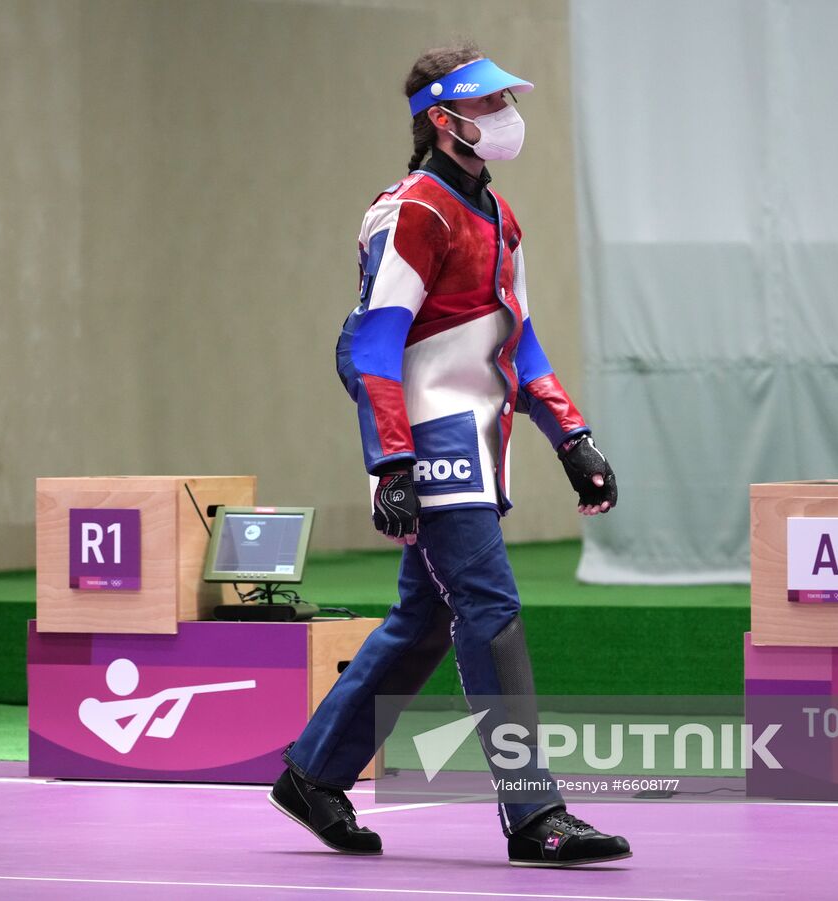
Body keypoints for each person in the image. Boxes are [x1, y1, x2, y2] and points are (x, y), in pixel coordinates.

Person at [269, 45, 630, 868]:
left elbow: (519, 339)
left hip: (476, 432)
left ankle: (313, 773)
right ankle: (536, 814)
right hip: (429, 432)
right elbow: (372, 344)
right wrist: (392, 460)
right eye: (491, 102)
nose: (507, 116)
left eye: (508, 101)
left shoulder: (500, 217)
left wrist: (572, 436)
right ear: (444, 118)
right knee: (489, 609)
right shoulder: (413, 211)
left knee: (424, 620)